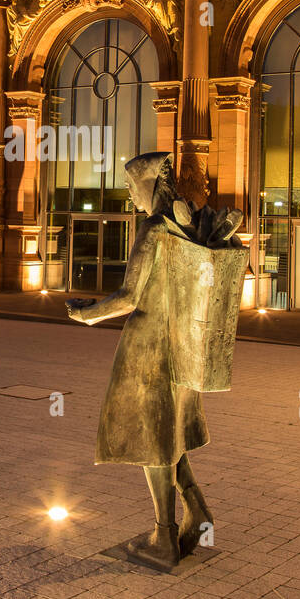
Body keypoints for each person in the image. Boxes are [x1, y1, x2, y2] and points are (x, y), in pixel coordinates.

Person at [66, 152, 246, 570]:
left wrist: (85, 314)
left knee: (150, 437)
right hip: (182, 345)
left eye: (132, 189)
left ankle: (164, 537)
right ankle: (197, 510)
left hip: (147, 346)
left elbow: (129, 298)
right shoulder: (186, 229)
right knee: (168, 435)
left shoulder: (153, 228)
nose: (131, 198)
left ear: (149, 185)